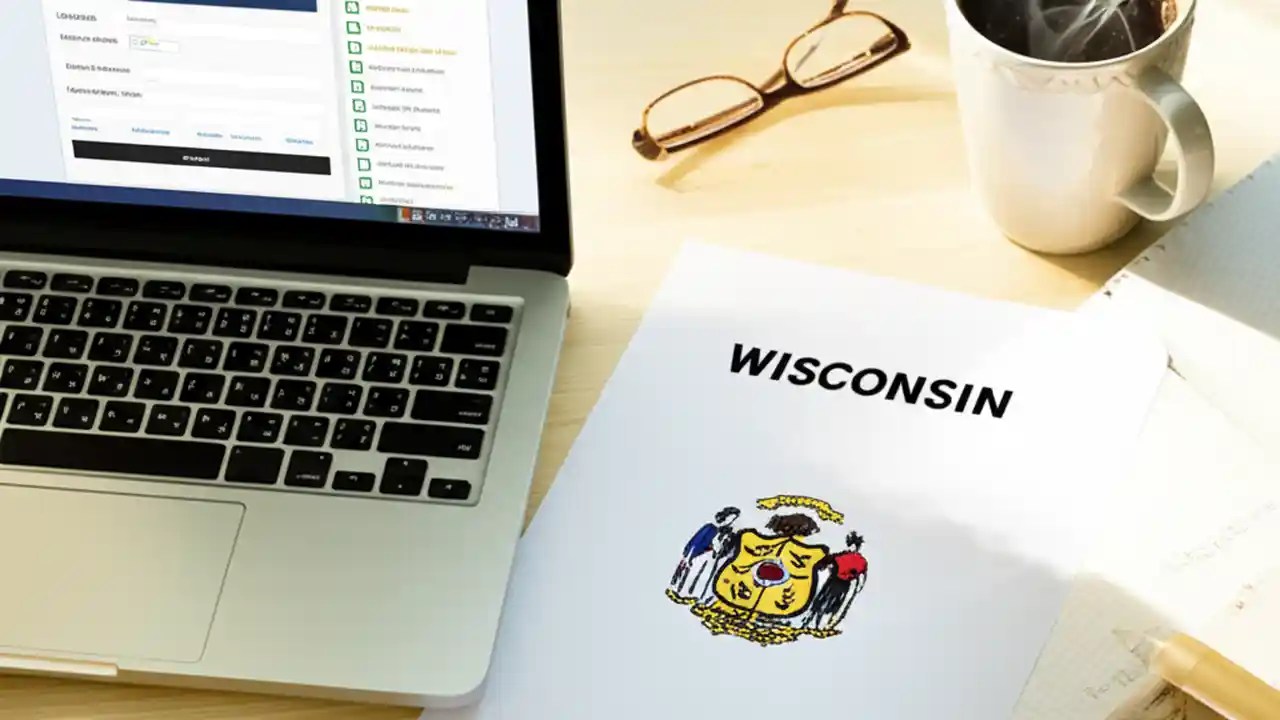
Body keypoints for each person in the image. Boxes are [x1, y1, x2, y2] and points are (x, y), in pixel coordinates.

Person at [671, 507, 740, 598]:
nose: (730, 521)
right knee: (687, 570)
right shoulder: (710, 528)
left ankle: (691, 594)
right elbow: (696, 539)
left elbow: (728, 549)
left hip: (711, 558)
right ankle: (678, 589)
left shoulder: (731, 533)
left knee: (700, 576)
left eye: (733, 518)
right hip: (699, 553)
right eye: (729, 518)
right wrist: (687, 551)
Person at [806, 531, 868, 629]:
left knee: (830, 602)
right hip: (835, 581)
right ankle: (814, 622)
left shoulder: (859, 560)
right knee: (823, 601)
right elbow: (826, 561)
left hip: (841, 583)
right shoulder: (843, 556)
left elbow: (862, 576)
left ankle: (823, 623)